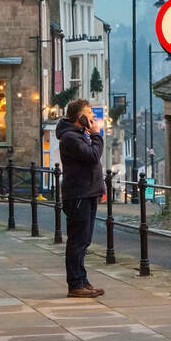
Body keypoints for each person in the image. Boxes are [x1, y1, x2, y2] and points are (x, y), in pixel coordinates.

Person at [57, 98, 105, 298]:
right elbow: (93, 156)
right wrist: (96, 135)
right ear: (80, 117)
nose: (93, 115)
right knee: (78, 241)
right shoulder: (70, 137)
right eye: (89, 112)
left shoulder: (78, 135)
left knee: (84, 240)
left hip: (88, 192)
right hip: (78, 194)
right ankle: (75, 284)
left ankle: (82, 280)